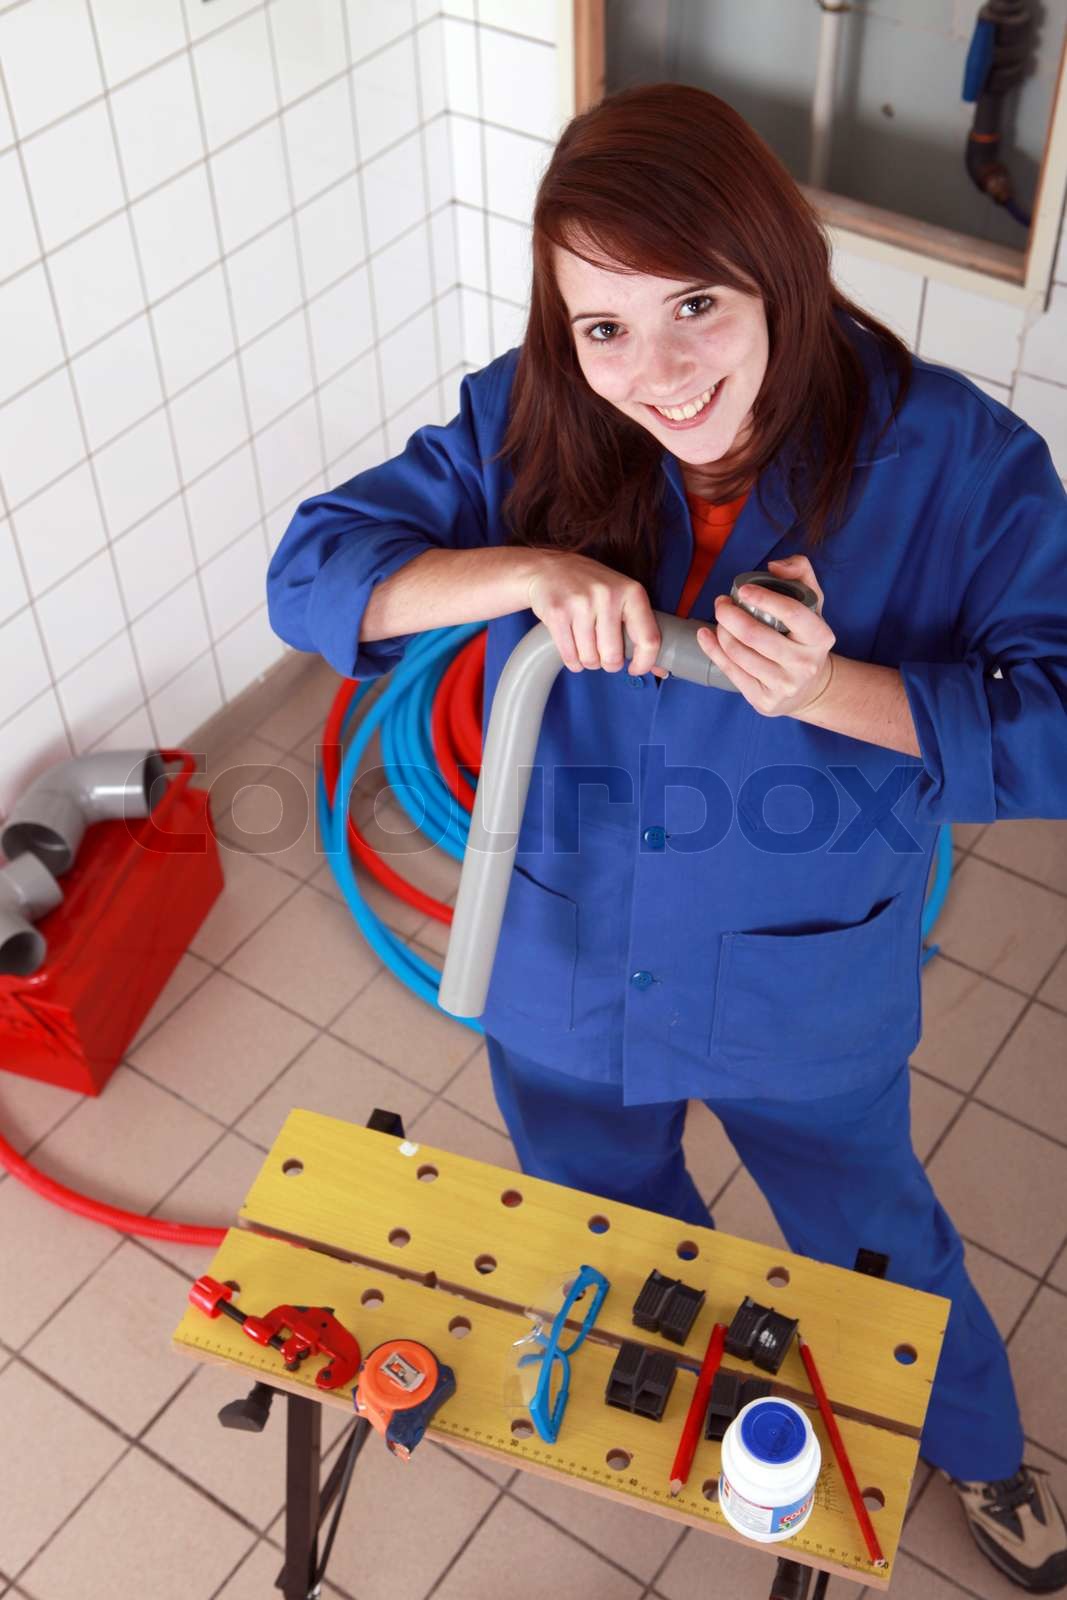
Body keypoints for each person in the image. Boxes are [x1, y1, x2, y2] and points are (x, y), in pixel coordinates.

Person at [267, 83, 1067, 1592]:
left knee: (875, 1241)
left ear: (778, 260)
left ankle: (982, 1453)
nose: (661, 371)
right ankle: (699, 1393)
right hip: (564, 960)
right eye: (606, 326)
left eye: (696, 301)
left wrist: (841, 690)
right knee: (613, 1216)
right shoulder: (529, 416)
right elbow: (315, 571)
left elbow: (1062, 718)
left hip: (800, 984)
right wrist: (521, 568)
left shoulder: (957, 462)